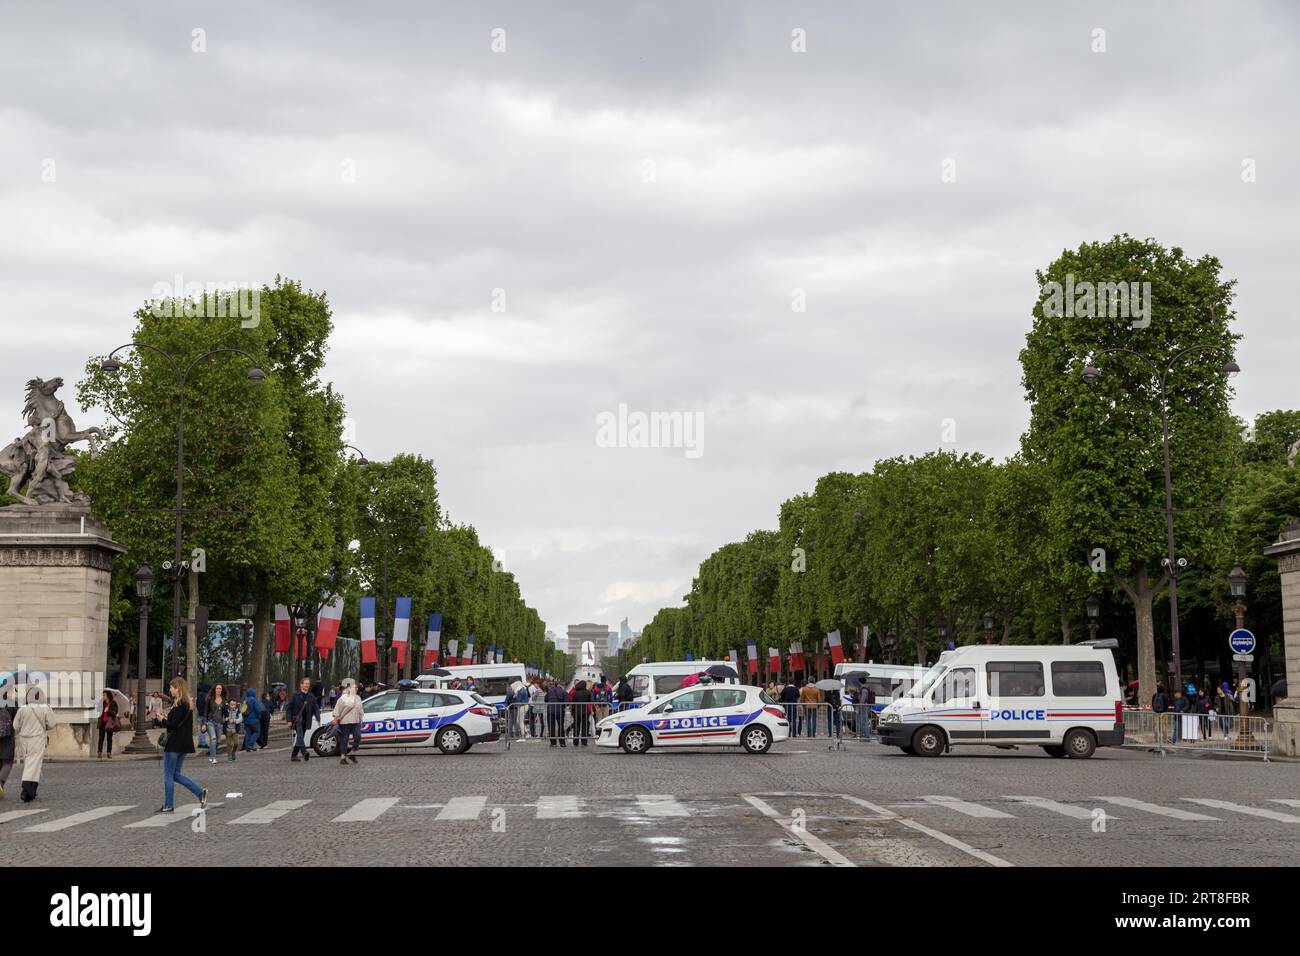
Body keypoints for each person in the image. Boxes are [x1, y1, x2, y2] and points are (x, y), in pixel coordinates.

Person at [158, 677, 207, 813]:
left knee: (168, 775)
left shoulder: (179, 705)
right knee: (176, 775)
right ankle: (200, 793)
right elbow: (179, 724)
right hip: (184, 744)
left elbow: (173, 726)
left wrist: (162, 720)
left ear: (177, 688)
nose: (170, 690)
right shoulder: (188, 704)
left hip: (174, 744)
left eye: (171, 687)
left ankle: (168, 805)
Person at [332, 678, 364, 765]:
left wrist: (361, 718)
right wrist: (335, 718)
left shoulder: (358, 698)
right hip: (345, 721)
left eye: (357, 688)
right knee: (344, 739)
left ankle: (352, 753)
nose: (356, 689)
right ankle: (343, 757)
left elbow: (360, 709)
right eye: (354, 687)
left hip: (356, 721)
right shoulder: (343, 698)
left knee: (358, 736)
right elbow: (337, 709)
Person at [286, 677, 319, 762]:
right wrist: (289, 720)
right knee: (300, 735)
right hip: (297, 720)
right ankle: (304, 752)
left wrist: (318, 718)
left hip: (306, 721)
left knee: (300, 737)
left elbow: (316, 708)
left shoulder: (311, 696)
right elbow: (289, 708)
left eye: (308, 684)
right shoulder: (295, 695)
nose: (307, 685)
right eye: (305, 683)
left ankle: (294, 755)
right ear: (301, 685)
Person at [200, 684, 227, 764]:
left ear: (222, 690)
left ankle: (211, 755)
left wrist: (226, 718)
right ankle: (213, 757)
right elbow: (205, 712)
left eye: (220, 688)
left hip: (219, 723)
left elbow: (225, 712)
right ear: (214, 689)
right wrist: (204, 723)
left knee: (218, 741)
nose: (219, 690)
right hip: (210, 721)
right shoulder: (210, 699)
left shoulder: (224, 699)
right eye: (217, 688)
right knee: (213, 739)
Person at [0, 692, 17, 800]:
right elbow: (18, 720)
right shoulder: (12, 703)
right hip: (8, 738)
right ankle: (0, 783)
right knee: (7, 762)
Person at [96, 689, 119, 759]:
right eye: (103, 695)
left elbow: (115, 713)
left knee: (109, 739)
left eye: (104, 695)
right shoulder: (102, 703)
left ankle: (109, 753)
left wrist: (108, 710)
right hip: (102, 722)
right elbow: (98, 710)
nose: (103, 696)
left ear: (108, 695)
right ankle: (99, 752)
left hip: (109, 723)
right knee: (101, 738)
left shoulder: (113, 703)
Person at [545, 678, 568, 747]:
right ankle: (562, 742)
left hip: (550, 710)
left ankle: (553, 743)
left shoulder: (550, 691)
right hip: (560, 710)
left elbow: (545, 699)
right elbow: (567, 702)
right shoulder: (564, 692)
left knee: (551, 726)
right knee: (560, 726)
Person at [570, 680, 593, 746]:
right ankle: (584, 741)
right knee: (584, 727)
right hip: (585, 711)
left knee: (576, 727)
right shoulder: (588, 692)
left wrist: (573, 712)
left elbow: (573, 703)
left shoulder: (575, 693)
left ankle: (576, 741)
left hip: (577, 711)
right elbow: (591, 701)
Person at [241, 687, 262, 752]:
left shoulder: (245, 700)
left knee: (248, 733)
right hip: (253, 720)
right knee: (257, 732)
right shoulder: (253, 699)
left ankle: (247, 747)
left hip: (246, 720)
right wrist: (259, 716)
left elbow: (243, 710)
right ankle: (250, 745)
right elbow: (258, 709)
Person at [223, 697, 241, 762]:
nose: (233, 706)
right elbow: (221, 720)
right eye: (231, 704)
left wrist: (234, 720)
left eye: (234, 704)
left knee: (236, 743)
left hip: (235, 730)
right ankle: (229, 756)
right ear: (229, 705)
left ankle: (233, 752)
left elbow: (240, 719)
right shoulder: (225, 711)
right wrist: (225, 719)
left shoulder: (238, 711)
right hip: (228, 730)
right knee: (229, 744)